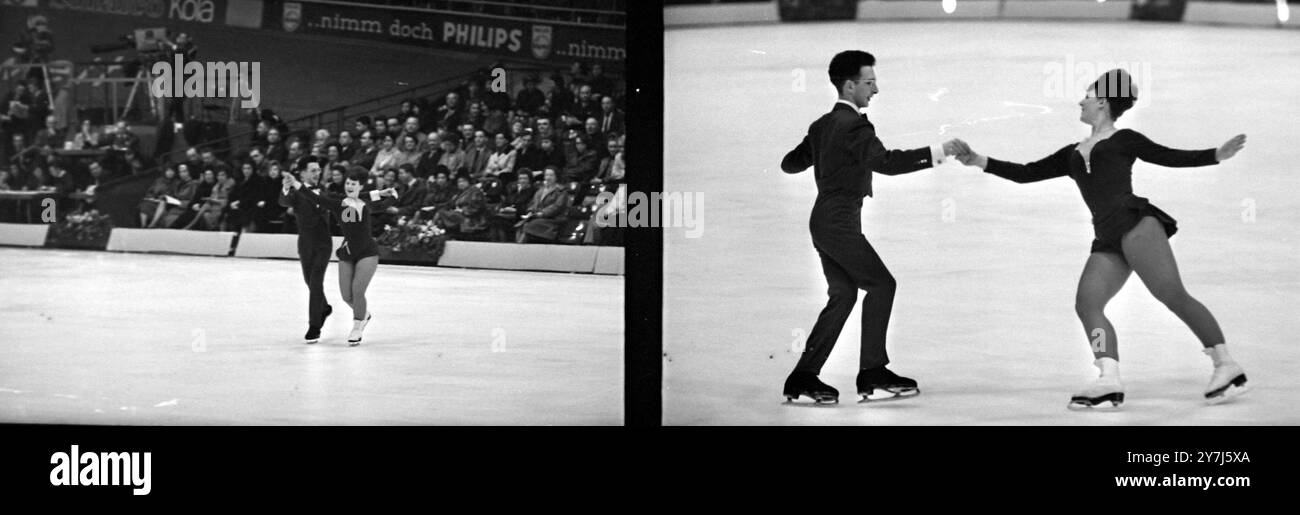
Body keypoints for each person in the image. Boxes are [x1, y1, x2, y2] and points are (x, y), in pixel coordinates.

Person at [954, 69, 1249, 409]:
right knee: (1088, 304)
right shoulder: (1073, 152)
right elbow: (1027, 173)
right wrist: (978, 160)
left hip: (1137, 227)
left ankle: (1226, 365)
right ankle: (1108, 378)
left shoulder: (1125, 141)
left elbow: (1170, 156)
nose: (1081, 100)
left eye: (1088, 95)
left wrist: (1215, 154)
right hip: (1108, 238)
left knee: (1172, 296)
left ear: (1103, 103)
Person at [779, 50, 967, 404]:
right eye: (870, 82)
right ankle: (872, 371)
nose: (876, 89)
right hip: (838, 223)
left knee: (844, 295)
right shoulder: (855, 126)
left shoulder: (822, 125)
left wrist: (820, 154)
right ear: (850, 86)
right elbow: (887, 163)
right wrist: (938, 152)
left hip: (825, 220)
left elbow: (790, 165)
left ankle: (803, 376)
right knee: (881, 284)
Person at [285, 166, 399, 346]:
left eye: (353, 184)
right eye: (347, 183)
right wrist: (297, 184)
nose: (349, 186)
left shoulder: (365, 201)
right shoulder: (337, 203)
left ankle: (357, 326)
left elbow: (379, 202)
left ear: (360, 186)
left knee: (357, 291)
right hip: (347, 252)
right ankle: (363, 314)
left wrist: (390, 195)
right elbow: (313, 196)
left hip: (367, 253)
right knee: (347, 296)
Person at [279, 157, 336, 344]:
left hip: (323, 244)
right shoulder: (296, 193)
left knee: (316, 281)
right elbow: (284, 202)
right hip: (305, 244)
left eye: (319, 170)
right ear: (302, 173)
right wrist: (286, 187)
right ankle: (324, 307)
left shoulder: (325, 191)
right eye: (313, 170)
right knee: (309, 281)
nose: (317, 173)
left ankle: (315, 325)